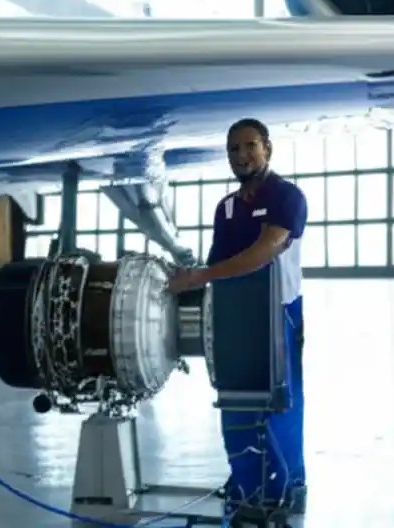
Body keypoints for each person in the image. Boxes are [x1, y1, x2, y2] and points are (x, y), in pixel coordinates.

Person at [166, 117, 308, 512]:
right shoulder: (226, 208)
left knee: (280, 400)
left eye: (250, 146)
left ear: (268, 149)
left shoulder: (287, 197)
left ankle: (286, 485)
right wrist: (197, 280)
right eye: (234, 149)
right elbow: (220, 263)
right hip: (235, 316)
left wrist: (202, 276)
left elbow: (267, 250)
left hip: (279, 312)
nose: (242, 155)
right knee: (236, 399)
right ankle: (249, 480)